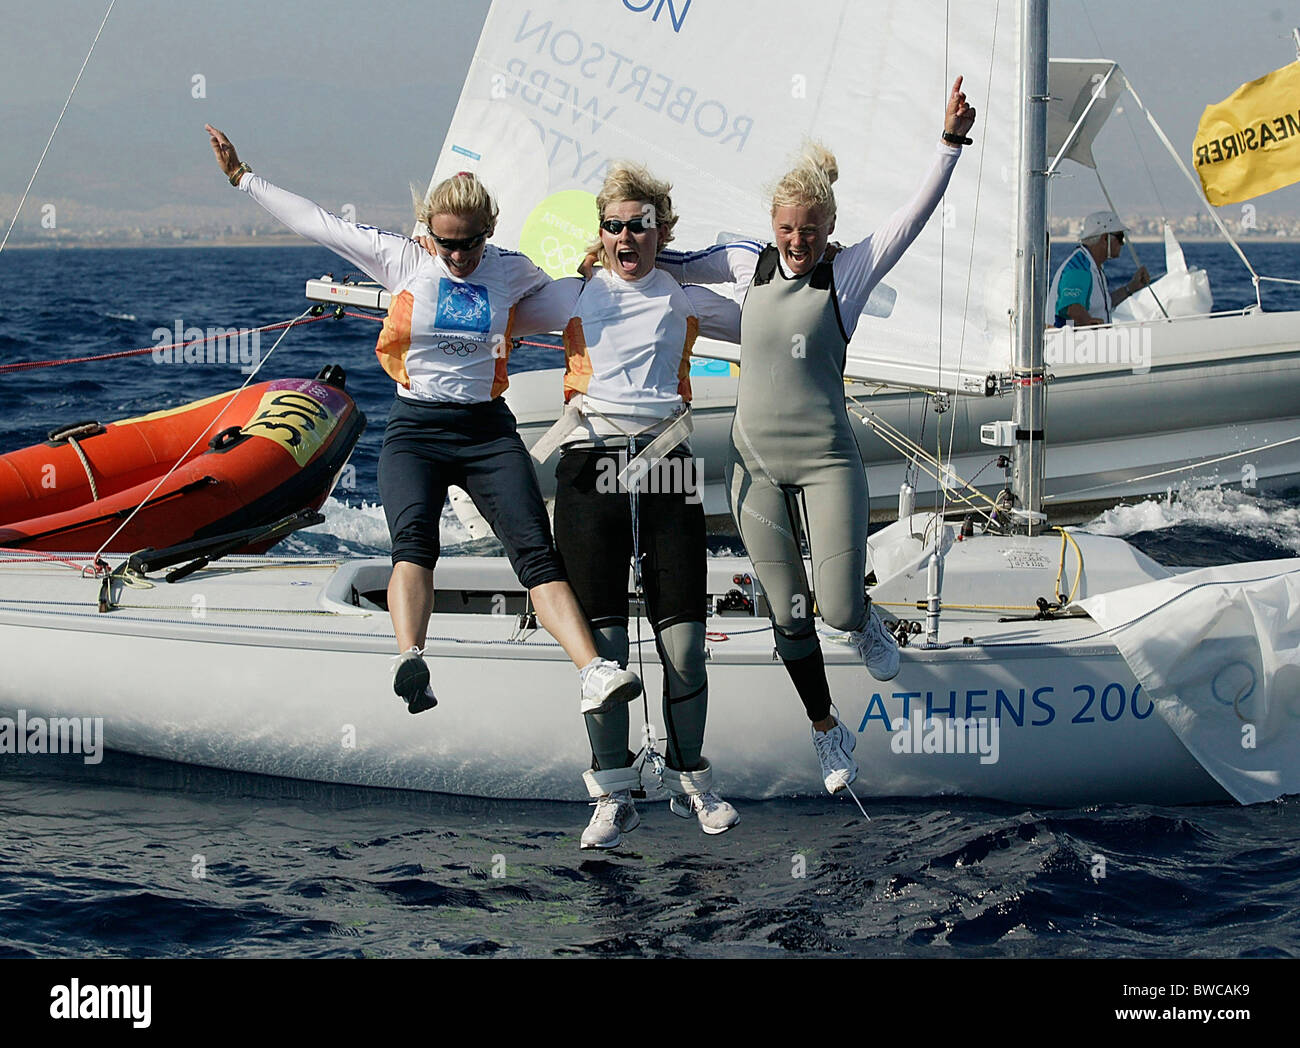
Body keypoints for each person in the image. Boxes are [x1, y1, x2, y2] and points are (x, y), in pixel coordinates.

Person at [205, 124, 642, 717]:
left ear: (489, 233)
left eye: (469, 245)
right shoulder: (403, 258)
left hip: (488, 432)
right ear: (429, 232)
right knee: (413, 546)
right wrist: (244, 178)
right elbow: (319, 223)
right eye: (446, 244)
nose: (458, 257)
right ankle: (411, 658)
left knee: (537, 552)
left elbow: (566, 298)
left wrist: (605, 269)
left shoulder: (512, 270)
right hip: (416, 431)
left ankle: (592, 672)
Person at [655, 77, 976, 795]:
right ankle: (828, 730)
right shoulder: (746, 263)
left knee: (833, 606)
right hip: (753, 468)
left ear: (829, 227)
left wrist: (949, 144)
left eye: (810, 229)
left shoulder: (849, 273)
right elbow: (664, 266)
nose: (798, 241)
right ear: (773, 224)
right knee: (789, 612)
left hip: (828, 460)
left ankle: (864, 621)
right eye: (787, 228)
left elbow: (911, 218)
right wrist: (607, 252)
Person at [454, 163, 741, 848]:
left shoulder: (686, 297)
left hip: (667, 463)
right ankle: (613, 792)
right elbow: (486, 295)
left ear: (661, 232)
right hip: (590, 466)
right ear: (600, 234)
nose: (624, 237)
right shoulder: (570, 297)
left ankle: (692, 781)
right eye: (612, 226)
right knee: (604, 652)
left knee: (686, 648)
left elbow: (771, 316)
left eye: (638, 225)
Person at [1048, 210, 1150, 326]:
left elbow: (1104, 305)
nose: (1122, 243)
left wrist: (1131, 287)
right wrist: (1088, 322)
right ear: (1105, 238)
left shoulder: (1093, 266)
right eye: (1120, 237)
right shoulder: (1080, 268)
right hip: (1069, 342)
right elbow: (1072, 308)